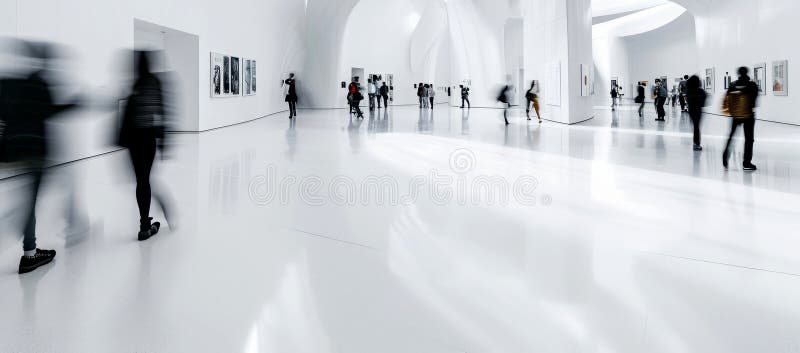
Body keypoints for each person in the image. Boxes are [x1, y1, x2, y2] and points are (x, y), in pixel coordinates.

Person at [0, 41, 77, 273]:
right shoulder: (39, 84)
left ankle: (31, 253)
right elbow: (50, 111)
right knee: (27, 206)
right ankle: (29, 254)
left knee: (26, 204)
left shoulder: (8, 84)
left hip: (10, 151)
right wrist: (76, 103)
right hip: (34, 152)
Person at [119, 51, 174, 241]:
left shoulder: (135, 83)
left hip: (134, 140)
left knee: (141, 180)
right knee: (145, 179)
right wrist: (165, 141)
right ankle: (146, 224)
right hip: (148, 138)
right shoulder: (154, 83)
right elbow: (163, 111)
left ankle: (145, 224)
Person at [722, 66, 759, 170]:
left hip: (735, 114)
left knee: (732, 135)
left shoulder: (733, 84)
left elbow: (728, 97)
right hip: (748, 114)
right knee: (749, 139)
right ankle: (746, 162)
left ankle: (725, 155)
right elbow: (754, 100)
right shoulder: (752, 85)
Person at [686, 75, 707, 151]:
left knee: (696, 126)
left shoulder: (689, 91)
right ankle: (697, 143)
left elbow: (688, 101)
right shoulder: (700, 91)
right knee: (696, 127)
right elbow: (703, 103)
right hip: (698, 110)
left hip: (691, 110)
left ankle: (696, 143)